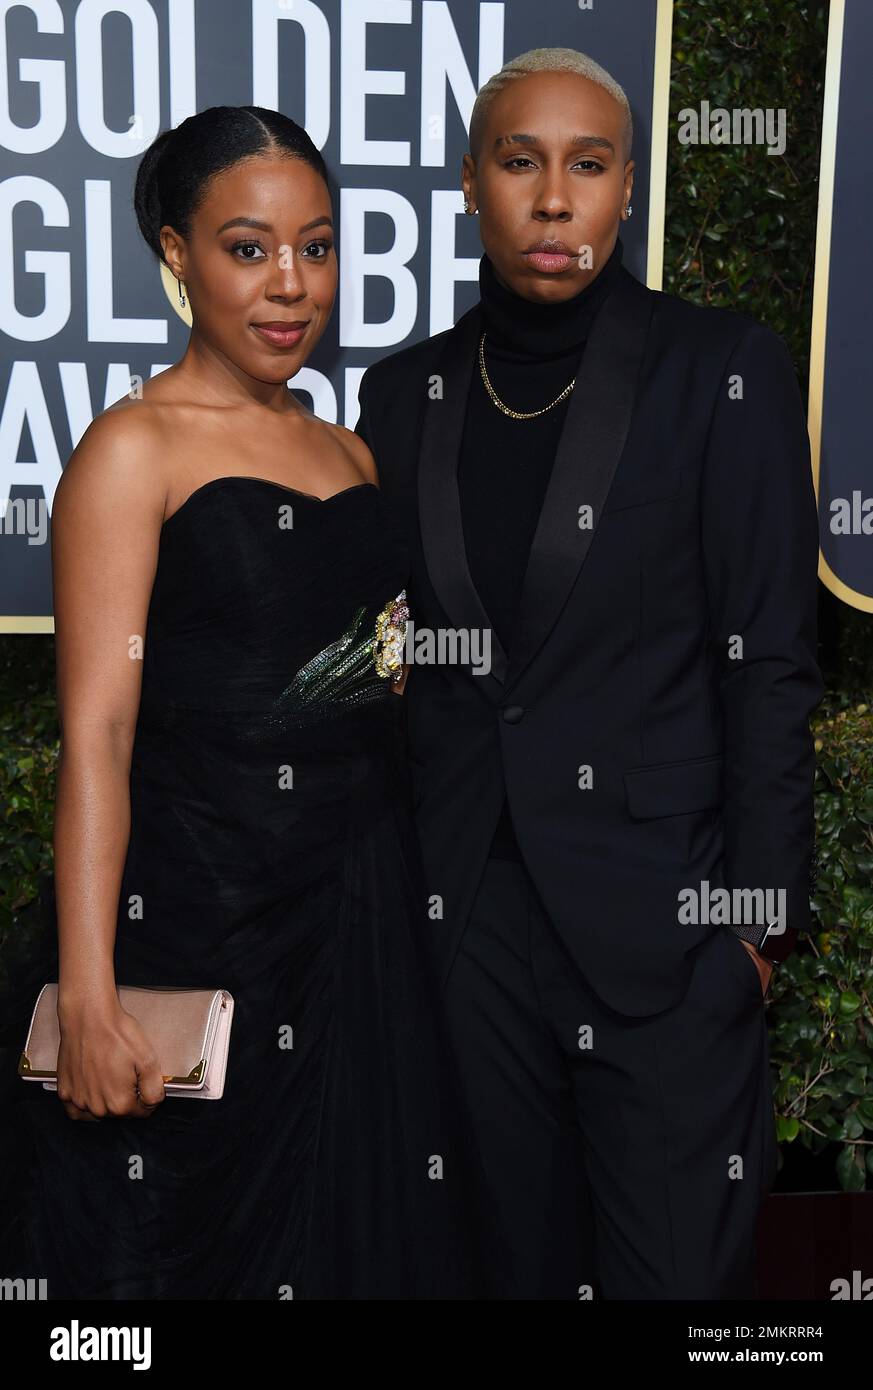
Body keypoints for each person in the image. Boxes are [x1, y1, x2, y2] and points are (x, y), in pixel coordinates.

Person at [354, 48, 824, 1299]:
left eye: (587, 164)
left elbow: (772, 656)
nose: (552, 198)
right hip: (469, 925)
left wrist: (757, 928)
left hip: (665, 926)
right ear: (469, 184)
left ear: (626, 190)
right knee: (505, 1270)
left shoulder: (720, 370)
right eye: (520, 162)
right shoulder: (403, 395)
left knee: (673, 1281)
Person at [17, 104, 491, 1300]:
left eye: (317, 247)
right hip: (194, 922)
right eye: (248, 248)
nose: (292, 285)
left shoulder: (353, 455)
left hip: (360, 924)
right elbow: (100, 733)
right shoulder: (133, 449)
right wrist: (86, 989)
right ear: (176, 255)